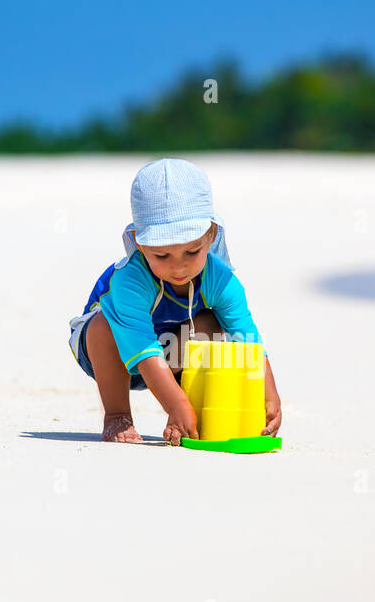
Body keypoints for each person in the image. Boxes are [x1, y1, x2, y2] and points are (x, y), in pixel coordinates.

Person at [67, 158, 281, 444]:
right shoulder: (131, 280)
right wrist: (174, 403)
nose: (178, 267)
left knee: (213, 325)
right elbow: (142, 348)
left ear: (210, 235)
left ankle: (190, 416)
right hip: (108, 354)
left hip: (169, 353)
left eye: (191, 253)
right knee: (104, 325)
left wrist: (269, 394)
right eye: (162, 256)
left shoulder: (221, 279)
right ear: (139, 243)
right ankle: (117, 415)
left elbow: (247, 339)